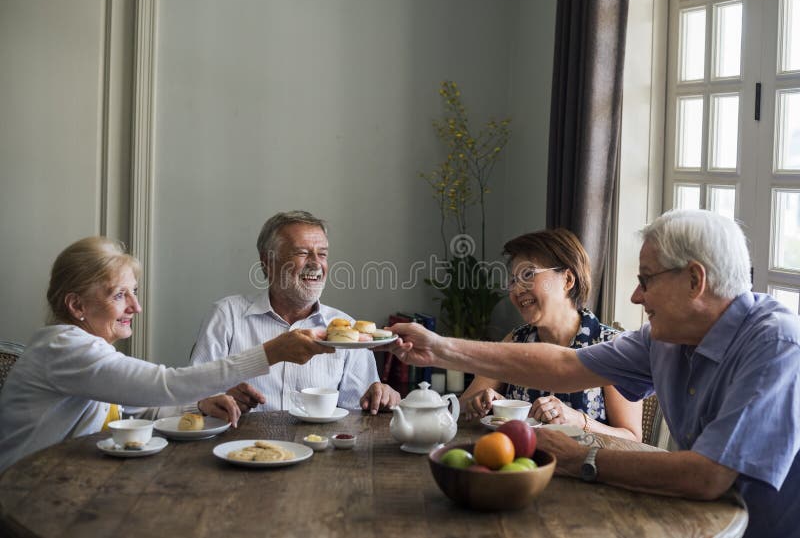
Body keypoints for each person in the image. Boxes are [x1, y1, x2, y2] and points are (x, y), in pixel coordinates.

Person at [386, 209, 800, 538]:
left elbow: (708, 475)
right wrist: (439, 347)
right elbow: (565, 365)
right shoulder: (665, 337)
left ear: (695, 279)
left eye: (646, 280)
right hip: (695, 520)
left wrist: (585, 458)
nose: (636, 295)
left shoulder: (776, 345)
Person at [0, 236, 332, 473]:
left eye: (134, 292)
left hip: (65, 482)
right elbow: (165, 384)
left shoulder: (82, 349)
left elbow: (137, 407)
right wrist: (271, 353)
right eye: (120, 295)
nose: (136, 306)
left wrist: (199, 405)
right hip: (24, 496)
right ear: (76, 305)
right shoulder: (64, 349)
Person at [190, 211, 400, 414]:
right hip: (241, 446)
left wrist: (380, 398)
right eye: (302, 252)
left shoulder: (348, 329)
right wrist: (217, 399)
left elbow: (358, 412)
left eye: (323, 254)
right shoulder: (227, 316)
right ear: (268, 262)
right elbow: (191, 394)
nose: (316, 263)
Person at [459, 229, 641, 441]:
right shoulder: (516, 340)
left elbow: (632, 437)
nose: (517, 290)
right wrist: (483, 403)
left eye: (528, 275)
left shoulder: (612, 346)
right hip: (523, 466)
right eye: (513, 281)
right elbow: (461, 410)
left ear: (568, 280)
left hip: (585, 469)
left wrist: (579, 421)